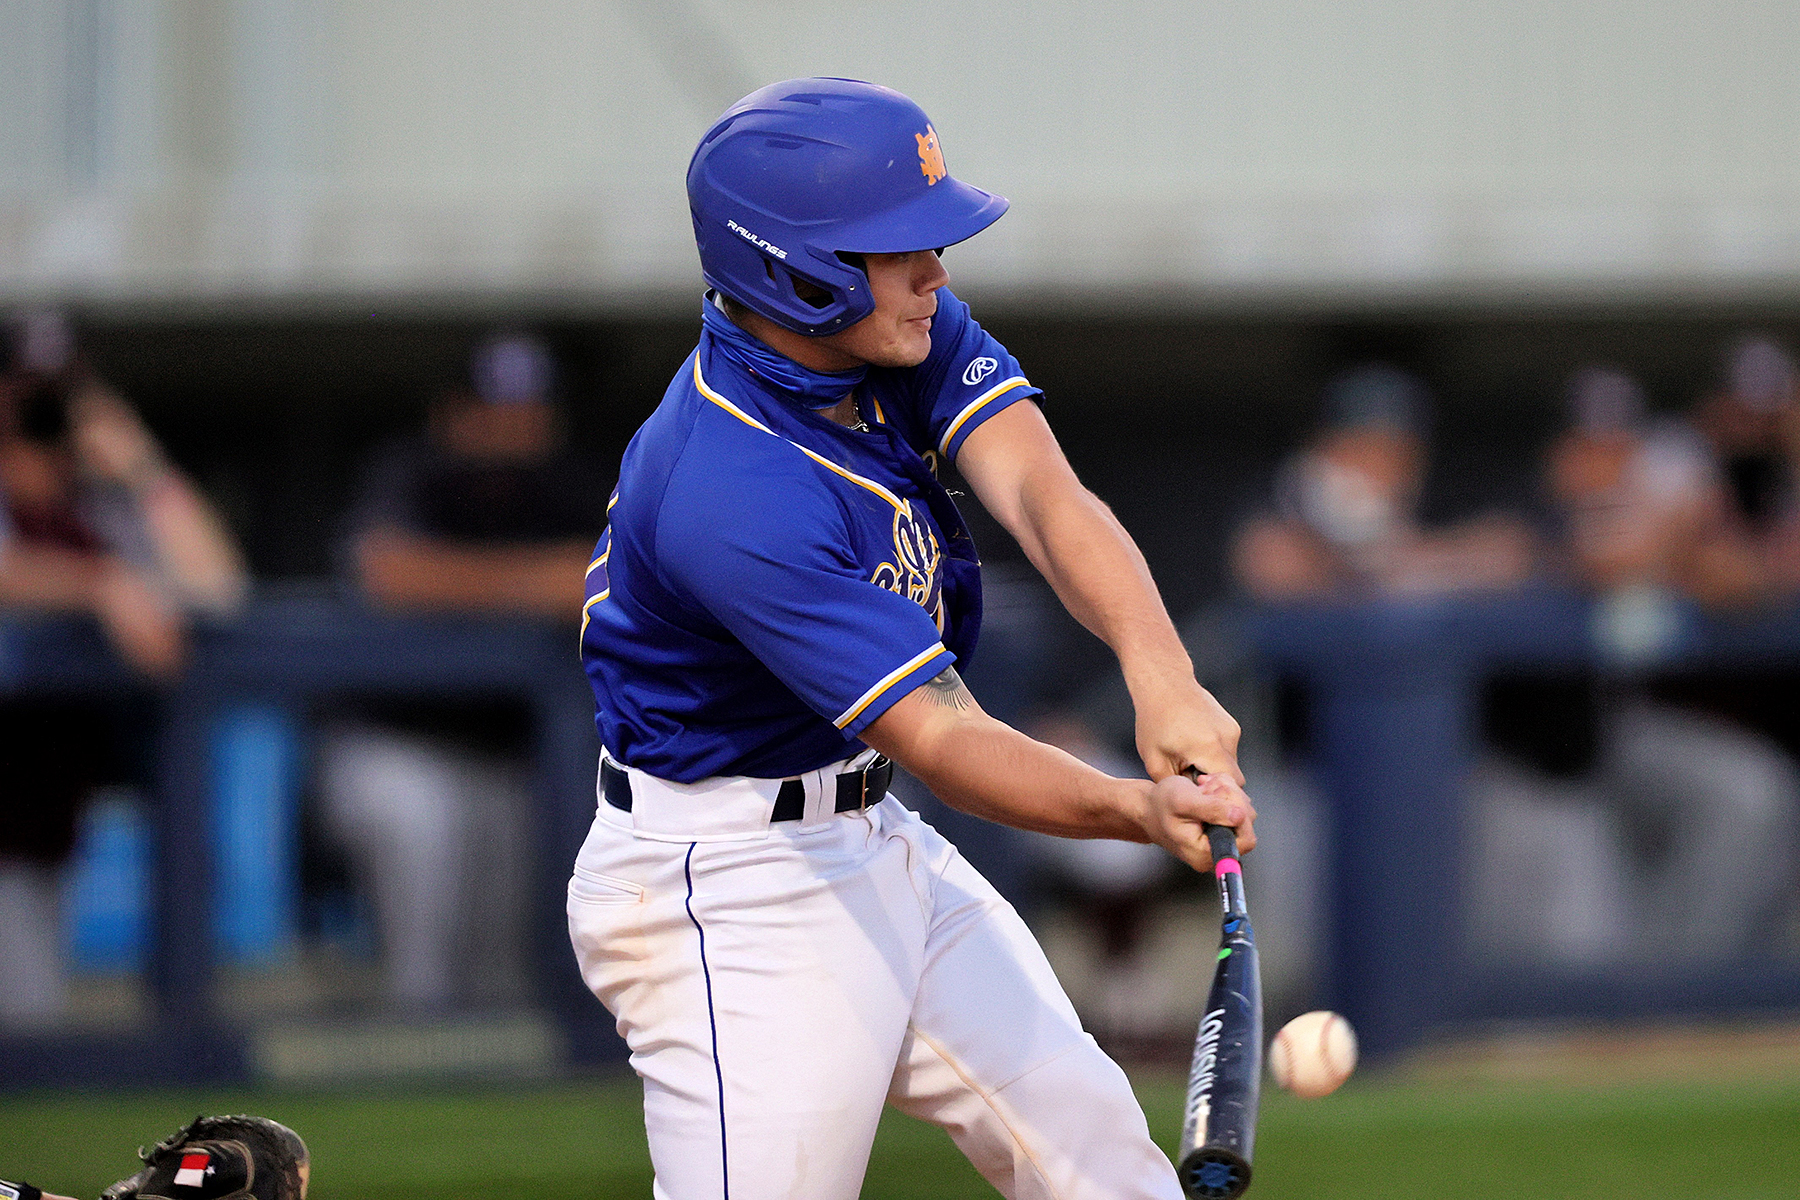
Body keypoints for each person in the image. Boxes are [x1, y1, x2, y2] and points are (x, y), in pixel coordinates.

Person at [569, 79, 1253, 1200]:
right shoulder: (727, 489)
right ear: (795, 272)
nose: (935, 270)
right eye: (899, 248)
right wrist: (1135, 811)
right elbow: (945, 738)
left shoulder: (893, 335)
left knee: (1096, 1153)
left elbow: (1042, 494)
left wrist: (1161, 674)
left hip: (868, 829)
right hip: (729, 891)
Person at [317, 331, 611, 1010]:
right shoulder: (412, 472)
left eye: (529, 412)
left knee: (507, 978)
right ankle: (410, 1037)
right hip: (397, 747)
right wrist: (534, 583)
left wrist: (476, 584)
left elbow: (606, 575)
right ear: (454, 414)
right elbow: (386, 571)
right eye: (495, 412)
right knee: (422, 916)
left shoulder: (569, 484)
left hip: (519, 760)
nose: (513, 430)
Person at [0, 311, 248, 1028]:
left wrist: (145, 471)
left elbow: (218, 589)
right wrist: (100, 583)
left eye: (61, 392)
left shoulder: (97, 506)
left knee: (33, 1034)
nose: (43, 414)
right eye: (26, 392)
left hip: (41, 823)